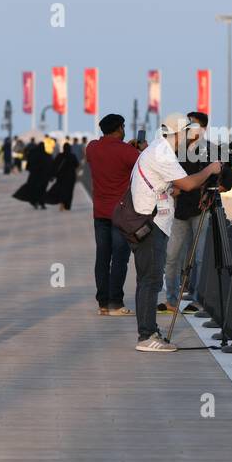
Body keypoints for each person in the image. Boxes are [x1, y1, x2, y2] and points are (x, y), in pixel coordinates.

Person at [129, 114, 220, 353]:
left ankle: (148, 331)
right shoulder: (163, 153)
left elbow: (176, 186)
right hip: (152, 224)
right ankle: (146, 336)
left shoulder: (159, 150)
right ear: (178, 133)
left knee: (147, 280)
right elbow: (188, 185)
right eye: (187, 132)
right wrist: (211, 169)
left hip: (148, 222)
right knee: (150, 281)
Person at [160, 110, 232, 315]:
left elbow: (229, 177)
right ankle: (171, 300)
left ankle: (196, 300)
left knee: (199, 257)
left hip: (203, 211)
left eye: (192, 125)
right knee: (172, 255)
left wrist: (214, 190)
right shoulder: (177, 149)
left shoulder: (212, 150)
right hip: (180, 209)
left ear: (202, 128)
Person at [85, 113, 139, 316]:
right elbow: (143, 165)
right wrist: (137, 149)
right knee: (119, 258)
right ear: (119, 129)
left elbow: (102, 156)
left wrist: (127, 147)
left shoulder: (92, 147)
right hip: (121, 214)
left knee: (102, 257)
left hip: (100, 212)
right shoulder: (126, 151)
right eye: (123, 127)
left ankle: (103, 304)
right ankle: (116, 303)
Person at [13, 140, 52, 209]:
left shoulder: (33, 154)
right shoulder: (47, 156)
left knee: (33, 189)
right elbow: (50, 166)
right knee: (42, 190)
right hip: (43, 177)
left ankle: (34, 202)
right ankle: (42, 203)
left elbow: (29, 164)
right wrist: (50, 176)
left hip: (34, 176)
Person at [43, 140, 79, 210]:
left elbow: (54, 166)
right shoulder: (72, 156)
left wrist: (52, 175)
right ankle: (67, 206)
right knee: (69, 191)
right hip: (71, 177)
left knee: (62, 190)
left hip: (61, 177)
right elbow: (76, 165)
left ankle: (62, 202)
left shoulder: (60, 156)